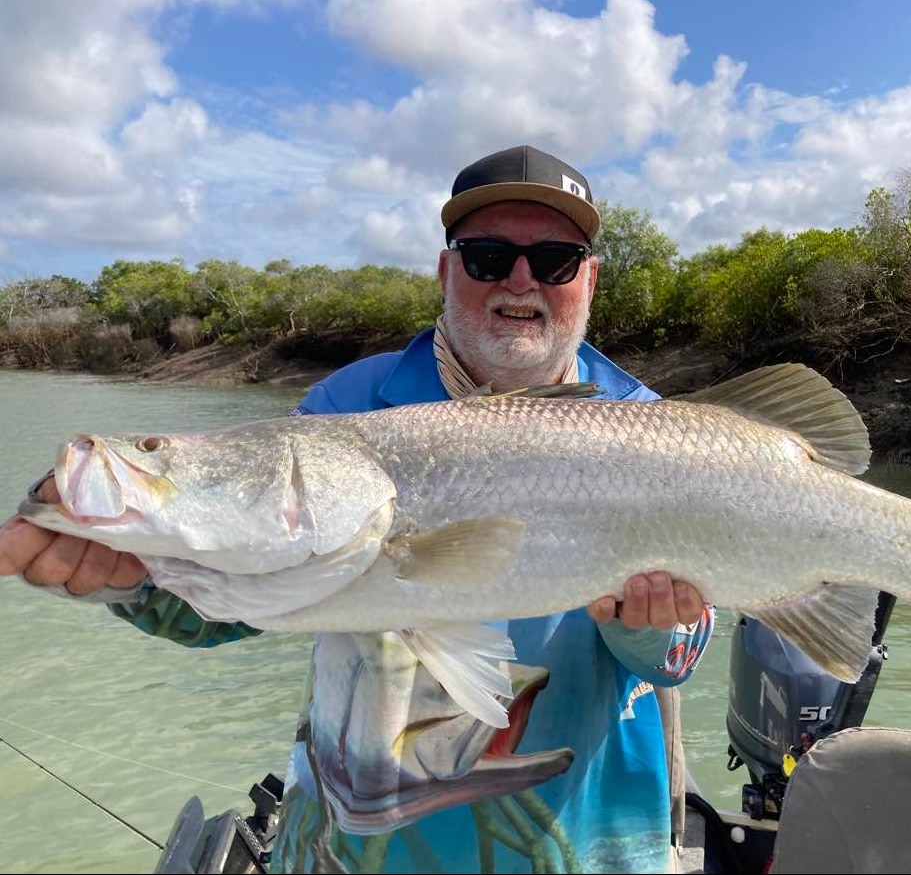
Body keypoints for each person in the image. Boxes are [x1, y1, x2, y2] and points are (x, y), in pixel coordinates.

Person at [0, 144, 715, 874]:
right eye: (488, 256)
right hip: (353, 848)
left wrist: (649, 627)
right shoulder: (343, 410)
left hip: (586, 840)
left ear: (588, 278)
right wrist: (132, 573)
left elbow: (682, 659)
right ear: (446, 271)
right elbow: (231, 605)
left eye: (556, 261)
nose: (520, 281)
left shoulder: (658, 426)